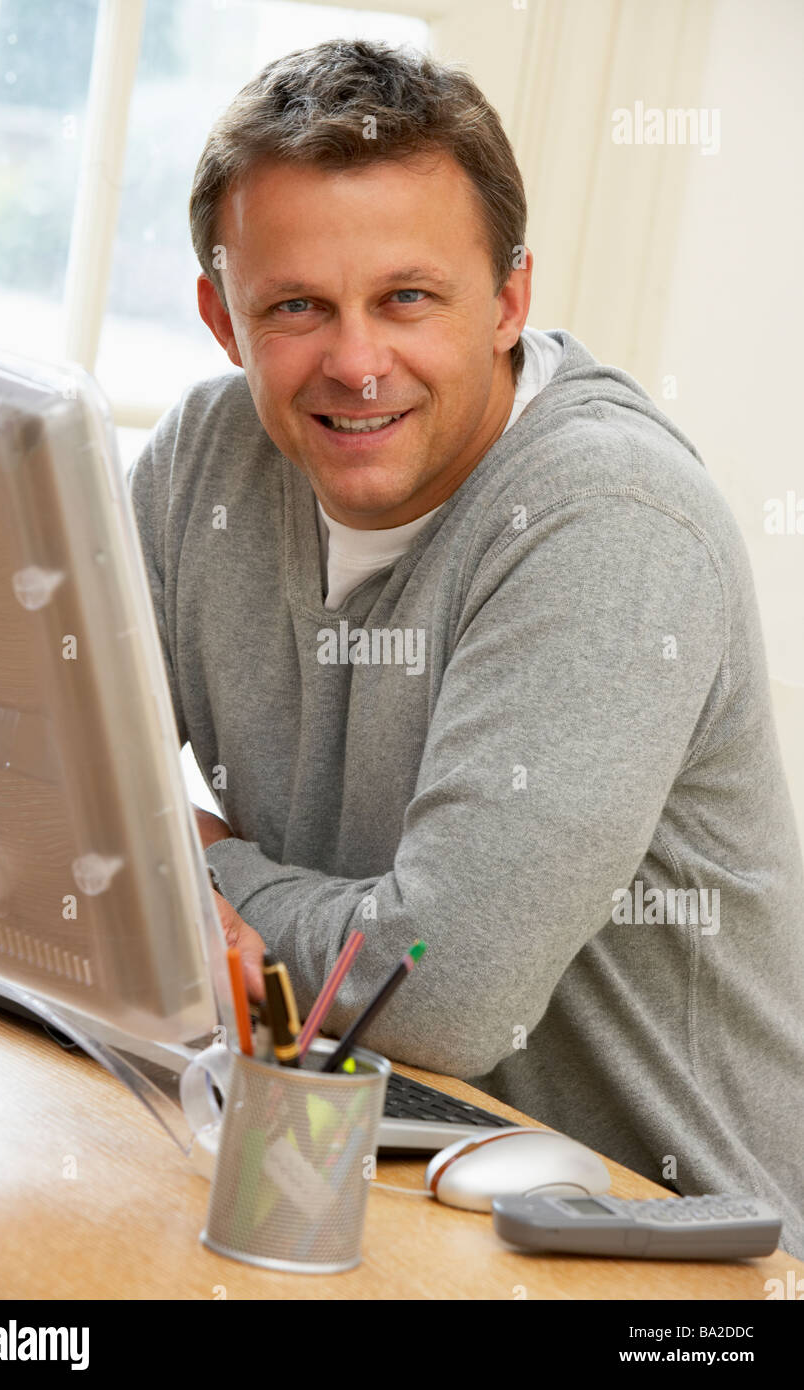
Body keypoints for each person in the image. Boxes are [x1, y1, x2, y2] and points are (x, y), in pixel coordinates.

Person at [129, 39, 804, 1255]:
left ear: (508, 301)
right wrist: (138, 857)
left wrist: (205, 874)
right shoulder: (200, 465)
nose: (354, 360)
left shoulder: (610, 521)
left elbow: (433, 988)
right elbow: (42, 806)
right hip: (359, 1166)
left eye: (406, 297)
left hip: (657, 1247)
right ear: (222, 317)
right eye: (296, 306)